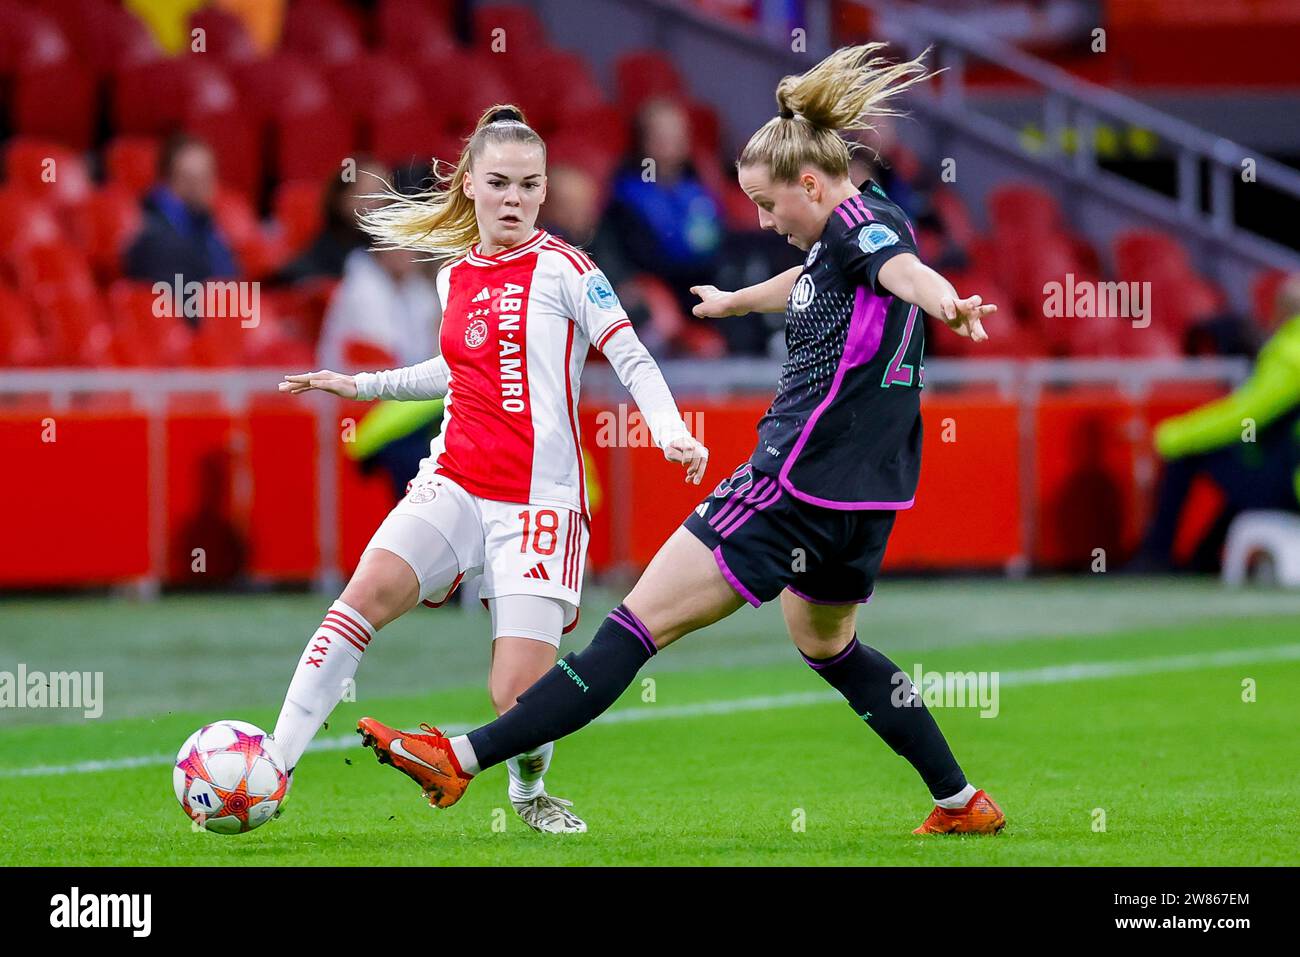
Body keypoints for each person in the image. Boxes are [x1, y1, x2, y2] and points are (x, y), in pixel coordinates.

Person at [357, 45, 1007, 836]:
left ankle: (458, 757)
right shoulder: (875, 216)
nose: (765, 222)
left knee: (633, 626)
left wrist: (947, 303)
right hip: (868, 497)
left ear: (810, 184)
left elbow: (903, 273)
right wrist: (738, 300)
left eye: (769, 206)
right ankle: (958, 799)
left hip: (788, 484)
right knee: (828, 643)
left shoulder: (861, 230)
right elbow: (828, 278)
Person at [272, 105, 709, 833]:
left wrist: (667, 429)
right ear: (470, 184)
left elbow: (629, 353)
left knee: (516, 693)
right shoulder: (455, 278)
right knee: (363, 594)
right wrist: (364, 385)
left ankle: (529, 789)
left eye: (528, 185)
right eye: (499, 182)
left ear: (543, 193)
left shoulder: (569, 269)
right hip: (457, 480)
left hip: (540, 502)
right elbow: (458, 369)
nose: (513, 198)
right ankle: (273, 767)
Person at [1131, 273, 1300, 571]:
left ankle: (1156, 555)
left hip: (1289, 488)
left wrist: (1175, 435)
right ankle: (1204, 557)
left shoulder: (1291, 352)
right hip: (1285, 477)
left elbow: (1244, 415)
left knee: (1187, 453)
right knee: (1244, 460)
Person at [124, 133, 239, 327]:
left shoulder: (207, 228)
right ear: (169, 180)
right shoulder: (157, 241)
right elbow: (183, 315)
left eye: (206, 177)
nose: (201, 187)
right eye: (191, 179)